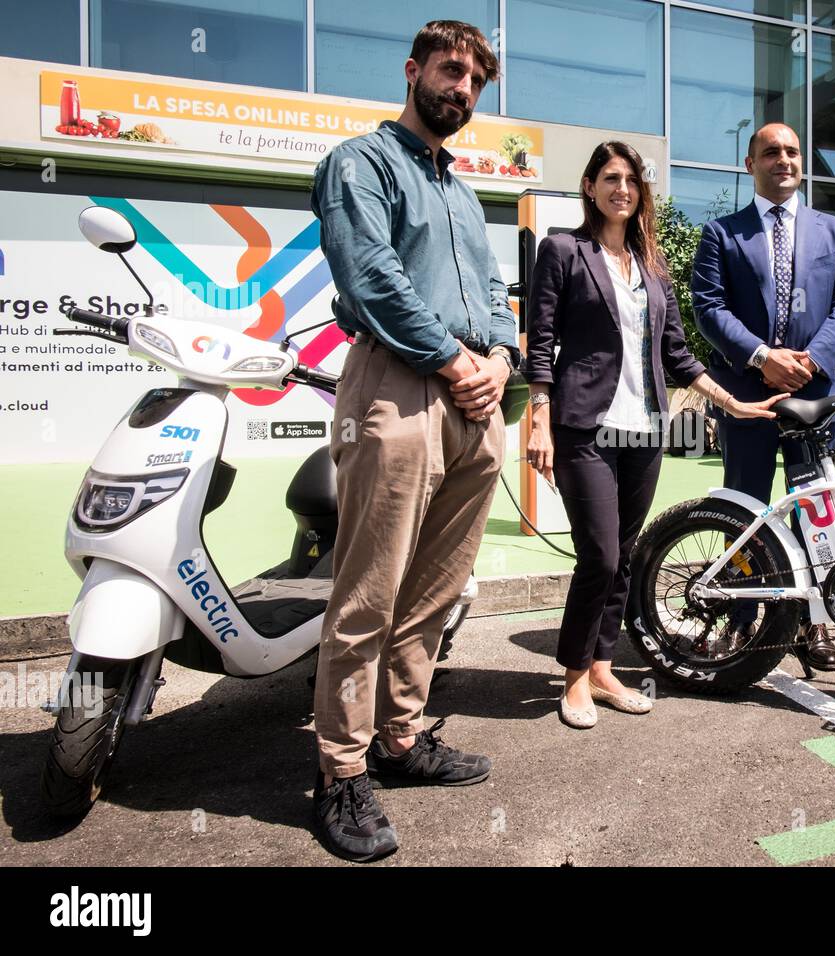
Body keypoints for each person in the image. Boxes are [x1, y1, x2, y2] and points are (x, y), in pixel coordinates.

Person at [308, 20, 517, 863]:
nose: (461, 88)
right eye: (450, 70)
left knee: (435, 591)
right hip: (398, 386)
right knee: (368, 593)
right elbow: (371, 277)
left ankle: (398, 739)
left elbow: (497, 292)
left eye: (475, 80)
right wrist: (453, 358)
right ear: (414, 70)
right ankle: (340, 771)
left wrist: (499, 360)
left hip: (477, 401)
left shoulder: (464, 193)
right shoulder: (362, 163)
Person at [524, 142, 787, 729]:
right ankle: (573, 679)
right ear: (590, 186)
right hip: (584, 426)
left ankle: (602, 667)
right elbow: (539, 339)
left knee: (625, 558)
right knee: (599, 554)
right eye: (611, 178)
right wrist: (539, 418)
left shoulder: (651, 268)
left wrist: (735, 405)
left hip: (644, 431)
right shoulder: (564, 251)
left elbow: (678, 356)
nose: (623, 188)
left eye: (632, 181)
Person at [691, 121, 835, 674]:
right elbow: (709, 307)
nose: (784, 160)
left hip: (814, 394)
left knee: (812, 508)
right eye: (771, 152)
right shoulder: (723, 233)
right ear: (751, 164)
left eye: (792, 152)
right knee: (745, 505)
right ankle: (743, 616)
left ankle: (811, 619)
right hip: (747, 393)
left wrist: (809, 362)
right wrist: (764, 357)